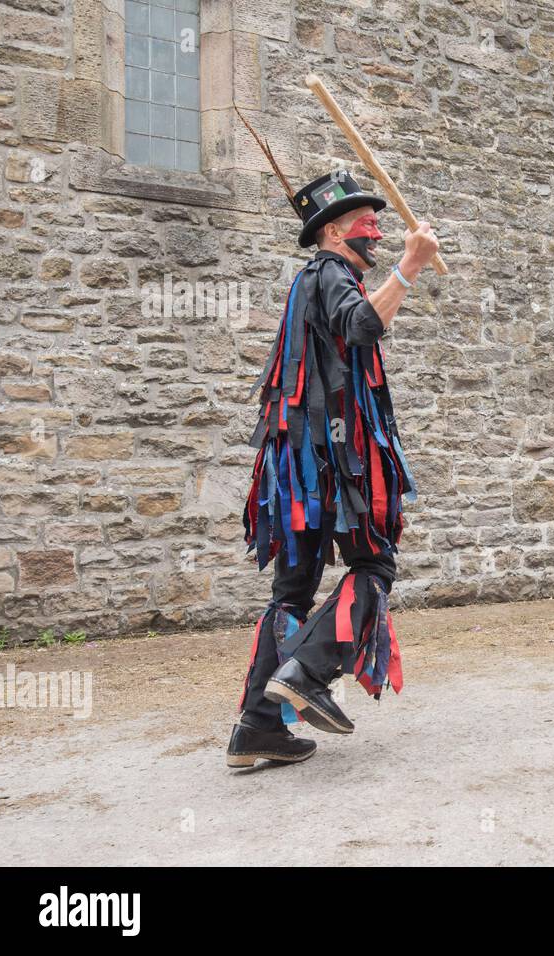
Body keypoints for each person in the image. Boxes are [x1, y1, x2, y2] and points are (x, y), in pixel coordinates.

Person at [227, 170, 440, 768]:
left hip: (298, 460)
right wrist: (412, 266)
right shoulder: (327, 272)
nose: (376, 228)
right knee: (374, 563)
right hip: (329, 462)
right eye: (364, 220)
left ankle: (256, 728)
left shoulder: (317, 279)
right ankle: (309, 673)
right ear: (331, 231)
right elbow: (363, 325)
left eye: (376, 218)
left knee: (291, 590)